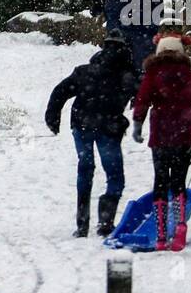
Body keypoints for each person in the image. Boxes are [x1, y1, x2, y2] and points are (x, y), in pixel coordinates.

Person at [45, 31, 138, 238]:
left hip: (82, 124)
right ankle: (105, 221)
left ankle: (82, 223)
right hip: (109, 127)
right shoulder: (128, 74)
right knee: (114, 175)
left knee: (85, 170)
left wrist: (53, 117)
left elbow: (60, 91)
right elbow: (147, 95)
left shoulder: (84, 71)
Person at [132, 35, 191, 252]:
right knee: (178, 181)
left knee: (160, 181)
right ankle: (179, 228)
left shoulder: (152, 74)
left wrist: (138, 124)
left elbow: (142, 100)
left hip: (160, 135)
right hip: (185, 135)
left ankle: (160, 235)